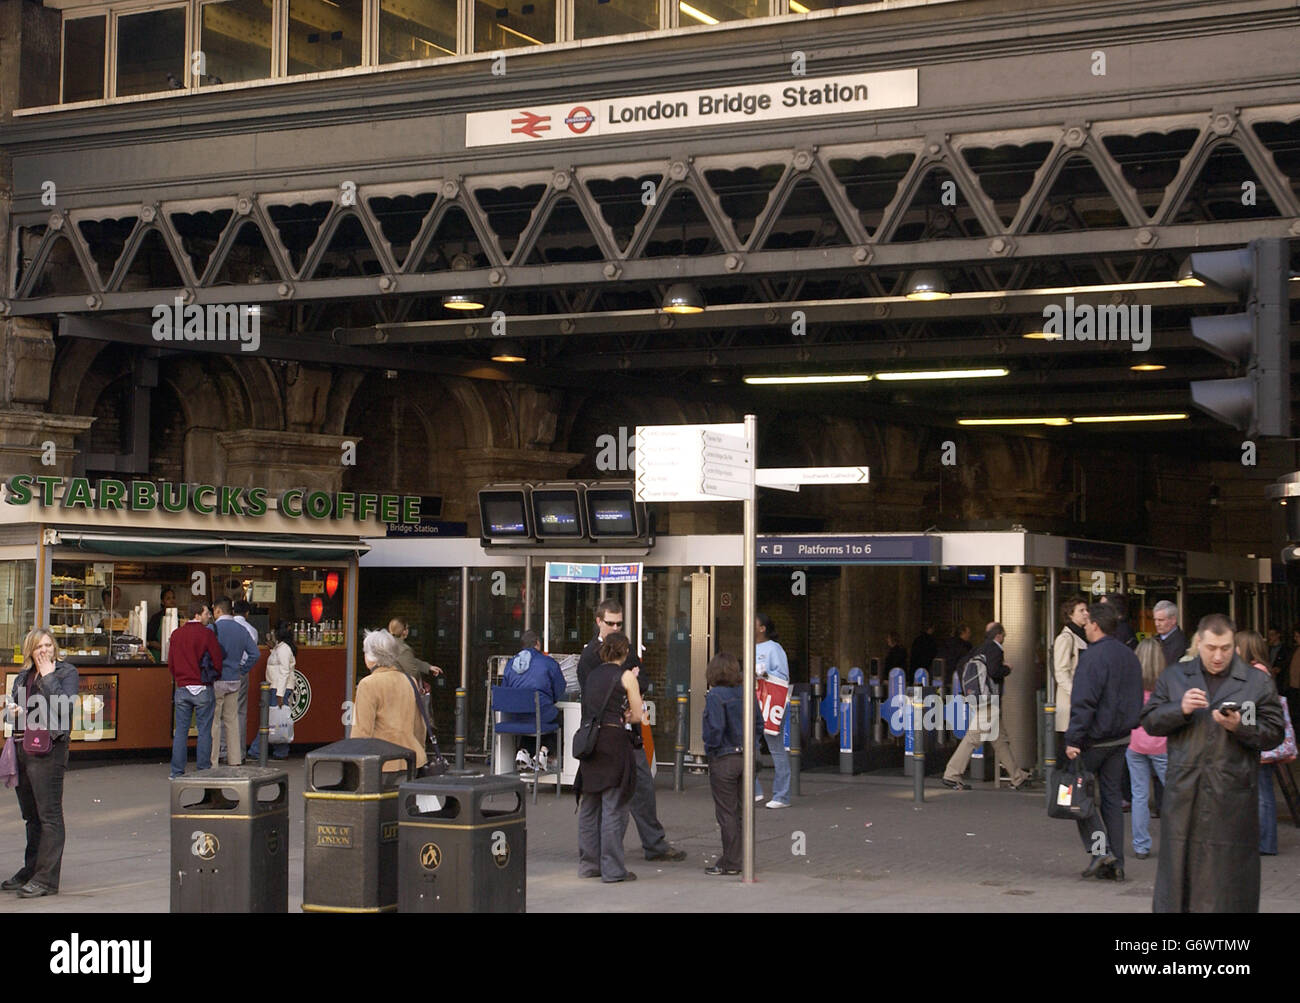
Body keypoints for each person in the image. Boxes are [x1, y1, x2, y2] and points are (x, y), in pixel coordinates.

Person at [1140, 613, 1285, 912]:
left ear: (1235, 645)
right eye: (1211, 648)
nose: (1218, 656)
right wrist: (1179, 709)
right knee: (1179, 875)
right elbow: (1150, 722)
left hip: (1232, 797)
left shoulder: (1256, 681)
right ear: (1199, 642)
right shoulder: (1175, 676)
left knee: (1229, 881)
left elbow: (1275, 733)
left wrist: (1240, 727)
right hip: (1184, 795)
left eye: (1226, 648)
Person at [576, 598, 686, 863]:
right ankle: (606, 856)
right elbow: (596, 692)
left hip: (626, 732)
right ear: (598, 621)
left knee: (641, 788)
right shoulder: (590, 656)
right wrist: (629, 681)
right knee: (607, 798)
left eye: (619, 623)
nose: (615, 627)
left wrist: (633, 682)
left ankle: (650, 844)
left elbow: (644, 679)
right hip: (606, 733)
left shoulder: (624, 647)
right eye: (610, 623)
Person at [1063, 602, 1144, 881]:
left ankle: (1101, 852)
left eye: (1086, 623)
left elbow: (1084, 701)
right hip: (1122, 738)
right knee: (1111, 799)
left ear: (1096, 625)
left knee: (1077, 798)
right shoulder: (1129, 655)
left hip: (1094, 740)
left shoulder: (1092, 657)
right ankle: (1117, 863)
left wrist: (1073, 738)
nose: (1084, 626)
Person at [2, 628, 78, 898]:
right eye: (38, 647)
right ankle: (30, 869)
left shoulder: (65, 673)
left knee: (49, 815)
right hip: (23, 747)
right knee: (31, 816)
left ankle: (46, 879)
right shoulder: (23, 676)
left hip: (50, 751)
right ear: (30, 651)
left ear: (54, 648)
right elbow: (14, 716)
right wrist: (12, 712)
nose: (44, 650)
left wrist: (48, 677)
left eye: (48, 645)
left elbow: (64, 709)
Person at [575, 632, 642, 882]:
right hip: (614, 743)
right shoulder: (625, 676)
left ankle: (588, 865)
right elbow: (636, 715)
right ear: (624, 652)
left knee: (589, 806)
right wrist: (625, 715)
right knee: (614, 805)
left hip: (591, 743)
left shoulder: (592, 676)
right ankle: (613, 869)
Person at [941, 623, 1033, 791]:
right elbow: (995, 671)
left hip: (979, 698)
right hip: (989, 701)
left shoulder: (978, 648)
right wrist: (1007, 668)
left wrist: (969, 691)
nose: (1004, 638)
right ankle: (951, 774)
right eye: (1003, 635)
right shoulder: (995, 649)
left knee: (999, 741)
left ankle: (1017, 777)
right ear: (999, 635)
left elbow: (961, 665)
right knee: (973, 737)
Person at [702, 651, 761, 876]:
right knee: (742, 811)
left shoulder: (716, 695)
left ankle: (731, 861)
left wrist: (711, 750)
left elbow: (715, 729)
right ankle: (741, 858)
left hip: (724, 758)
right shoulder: (747, 692)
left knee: (727, 813)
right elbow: (759, 724)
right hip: (747, 756)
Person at [1238, 629, 1292, 857]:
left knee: (1262, 792)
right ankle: (1264, 840)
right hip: (1262, 736)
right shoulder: (1261, 671)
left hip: (1259, 739)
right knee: (1263, 790)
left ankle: (1265, 842)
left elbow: (1250, 708)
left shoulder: (1255, 674)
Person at [351, 629, 427, 772]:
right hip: (411, 758)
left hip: (382, 762)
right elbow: (419, 725)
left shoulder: (368, 684)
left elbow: (362, 731)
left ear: (371, 657)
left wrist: (355, 763)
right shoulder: (410, 681)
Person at [167, 599, 223, 779]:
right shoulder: (206, 635)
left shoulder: (176, 634)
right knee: (204, 731)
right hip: (202, 687)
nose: (209, 617)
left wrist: (179, 679)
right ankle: (203, 769)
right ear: (197, 615)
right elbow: (217, 660)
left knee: (181, 732)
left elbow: (171, 664)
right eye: (206, 613)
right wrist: (214, 675)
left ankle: (176, 772)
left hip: (183, 687)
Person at [1126, 639, 1168, 861]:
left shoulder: (1130, 681)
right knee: (1174, 793)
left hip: (1134, 742)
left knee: (1139, 795)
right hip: (1161, 742)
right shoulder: (1166, 682)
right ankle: (1176, 842)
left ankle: (1141, 845)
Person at [503, 630, 566, 763]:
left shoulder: (510, 663)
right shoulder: (548, 662)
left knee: (532, 721)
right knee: (556, 719)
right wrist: (551, 699)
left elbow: (505, 691)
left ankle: (524, 750)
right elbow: (560, 689)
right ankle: (544, 751)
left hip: (516, 716)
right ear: (538, 643)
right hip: (541, 713)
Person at [212, 597, 260, 766]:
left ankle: (215, 758)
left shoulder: (213, 628)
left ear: (218, 610)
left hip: (217, 679)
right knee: (233, 719)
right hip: (234, 678)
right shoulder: (242, 630)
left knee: (216, 720)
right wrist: (243, 670)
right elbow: (255, 654)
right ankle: (235, 758)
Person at [754, 612, 792, 809]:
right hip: (756, 701)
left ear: (763, 628)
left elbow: (782, 676)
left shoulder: (774, 649)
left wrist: (764, 673)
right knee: (748, 745)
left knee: (775, 747)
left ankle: (782, 795)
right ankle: (754, 790)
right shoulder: (751, 646)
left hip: (771, 702)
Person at [248, 621, 296, 761]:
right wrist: (272, 649)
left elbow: (284, 672)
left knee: (270, 720)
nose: (272, 634)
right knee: (276, 720)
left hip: (278, 688)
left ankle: (257, 750)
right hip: (277, 687)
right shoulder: (281, 648)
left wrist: (280, 693)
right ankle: (281, 751)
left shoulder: (284, 649)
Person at [1053, 595, 1089, 765]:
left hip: (1079, 704)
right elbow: (1061, 672)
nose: (1086, 613)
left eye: (1086, 610)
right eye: (1081, 610)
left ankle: (1075, 790)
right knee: (1069, 757)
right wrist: (1076, 693)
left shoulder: (1081, 636)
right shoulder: (1066, 638)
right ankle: (1066, 791)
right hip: (1070, 705)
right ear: (1070, 614)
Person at [388, 617, 444, 683]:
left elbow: (408, 660)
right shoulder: (403, 649)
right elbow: (413, 673)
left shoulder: (386, 643)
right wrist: (422, 683)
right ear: (404, 631)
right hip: (399, 686)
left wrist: (428, 667)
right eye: (407, 628)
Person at [1151, 601, 1187, 668]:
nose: (1156, 624)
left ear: (1173, 620)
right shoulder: (1154, 640)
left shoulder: (1181, 643)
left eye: (1161, 620)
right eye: (1155, 620)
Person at [146, 586, 176, 652]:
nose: (172, 601)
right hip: (157, 654)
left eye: (173, 598)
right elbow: (150, 639)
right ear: (162, 602)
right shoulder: (156, 618)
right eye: (168, 598)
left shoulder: (179, 618)